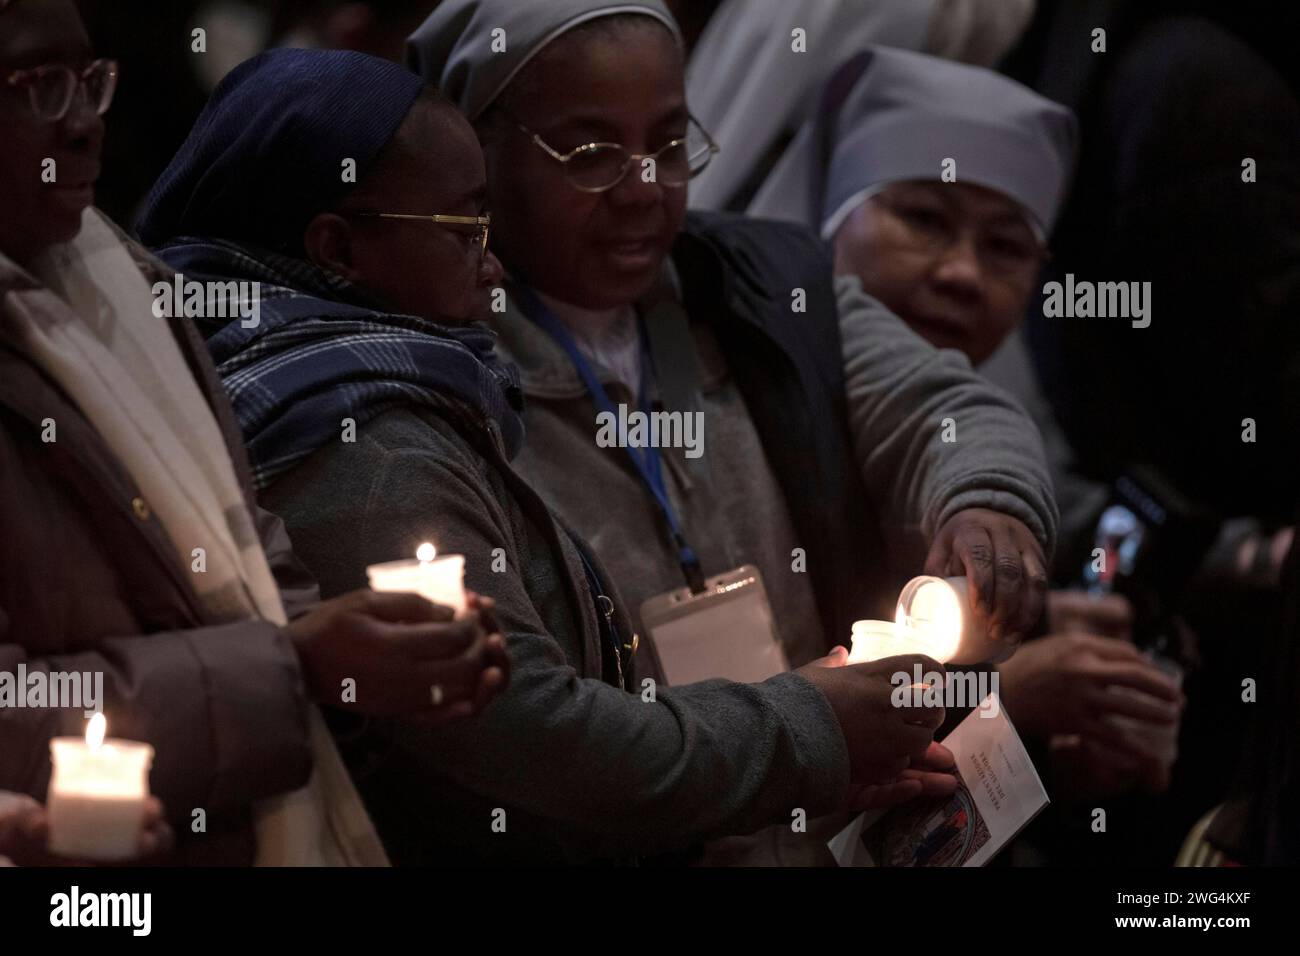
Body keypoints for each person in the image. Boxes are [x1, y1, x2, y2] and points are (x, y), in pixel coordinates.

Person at [137, 46, 960, 866]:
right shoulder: (358, 444)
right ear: (336, 248)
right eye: (464, 229)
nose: (493, 264)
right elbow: (540, 745)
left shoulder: (384, 388)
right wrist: (806, 728)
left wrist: (805, 758)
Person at [409, 0, 1058, 687]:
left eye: (667, 146)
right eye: (592, 155)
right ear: (478, 148)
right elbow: (543, 725)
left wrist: (986, 499)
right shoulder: (439, 369)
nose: (643, 190)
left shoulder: (757, 286)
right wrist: (804, 730)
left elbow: (938, 404)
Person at [0, 0, 506, 867]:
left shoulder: (120, 284)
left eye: (90, 82)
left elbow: (253, 567)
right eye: (39, 88)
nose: (86, 125)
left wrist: (358, 667)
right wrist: (296, 667)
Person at [750, 45, 1184, 809]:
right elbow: (730, 735)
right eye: (923, 218)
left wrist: (1080, 736)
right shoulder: (740, 415)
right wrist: (1010, 694)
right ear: (832, 218)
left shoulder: (1007, 446)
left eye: (1006, 246)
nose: (961, 273)